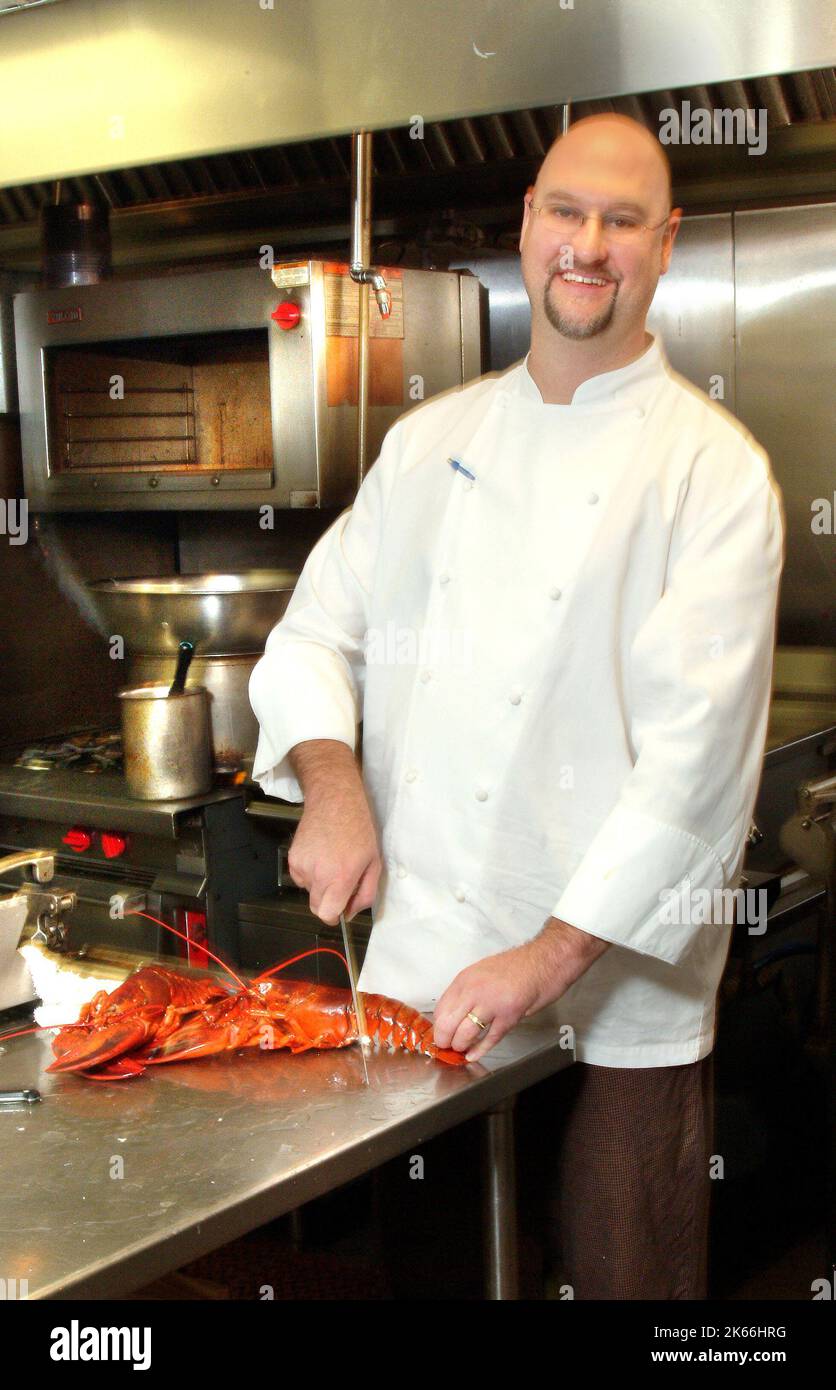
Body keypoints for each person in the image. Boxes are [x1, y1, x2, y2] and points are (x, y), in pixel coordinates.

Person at [249, 114, 784, 1299]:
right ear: (528, 220)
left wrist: (545, 956)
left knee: (622, 1282)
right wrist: (332, 786)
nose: (586, 246)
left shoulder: (711, 472)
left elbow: (693, 772)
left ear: (664, 242)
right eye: (565, 213)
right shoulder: (428, 441)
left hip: (613, 995)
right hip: (427, 976)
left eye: (622, 220)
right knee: (436, 1270)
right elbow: (310, 636)